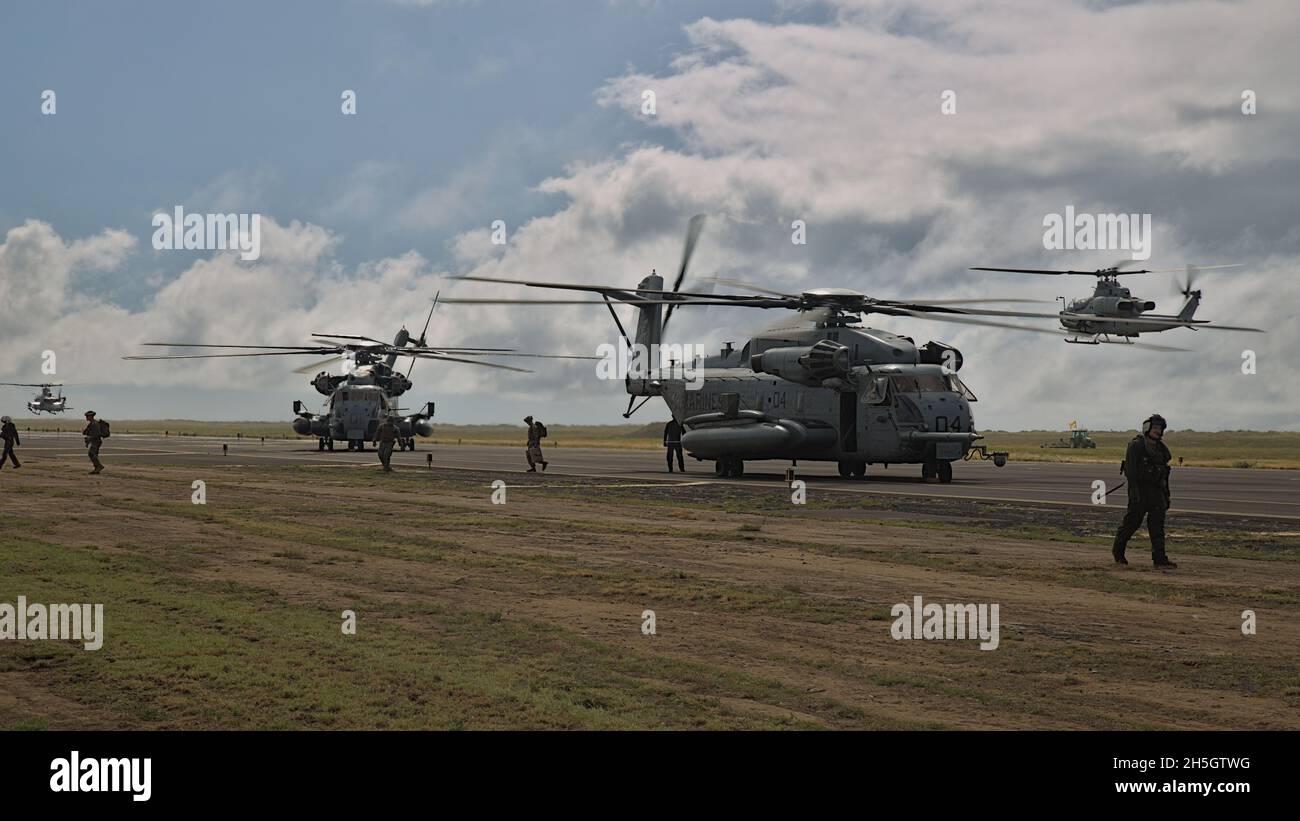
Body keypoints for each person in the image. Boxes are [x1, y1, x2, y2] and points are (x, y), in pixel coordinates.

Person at [1112, 413, 1176, 568]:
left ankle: (1159, 559)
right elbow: (1131, 472)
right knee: (1131, 524)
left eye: (1160, 428)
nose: (1157, 431)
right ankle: (1118, 553)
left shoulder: (1162, 450)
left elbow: (1164, 475)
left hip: (1157, 492)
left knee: (1157, 527)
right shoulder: (1136, 446)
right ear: (1147, 428)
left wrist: (1166, 495)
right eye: (1154, 427)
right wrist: (1134, 493)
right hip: (1140, 491)